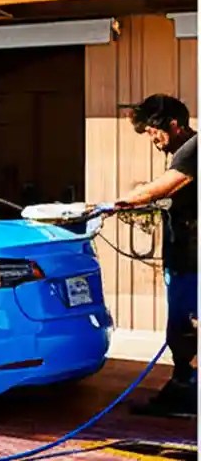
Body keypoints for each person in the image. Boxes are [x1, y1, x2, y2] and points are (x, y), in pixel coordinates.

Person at [117, 93, 197, 416]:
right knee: (180, 326)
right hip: (180, 257)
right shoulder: (181, 152)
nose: (153, 141)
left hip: (192, 261)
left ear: (174, 125)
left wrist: (119, 202)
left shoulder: (194, 151)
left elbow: (163, 187)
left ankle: (186, 392)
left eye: (155, 133)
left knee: (185, 325)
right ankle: (183, 386)